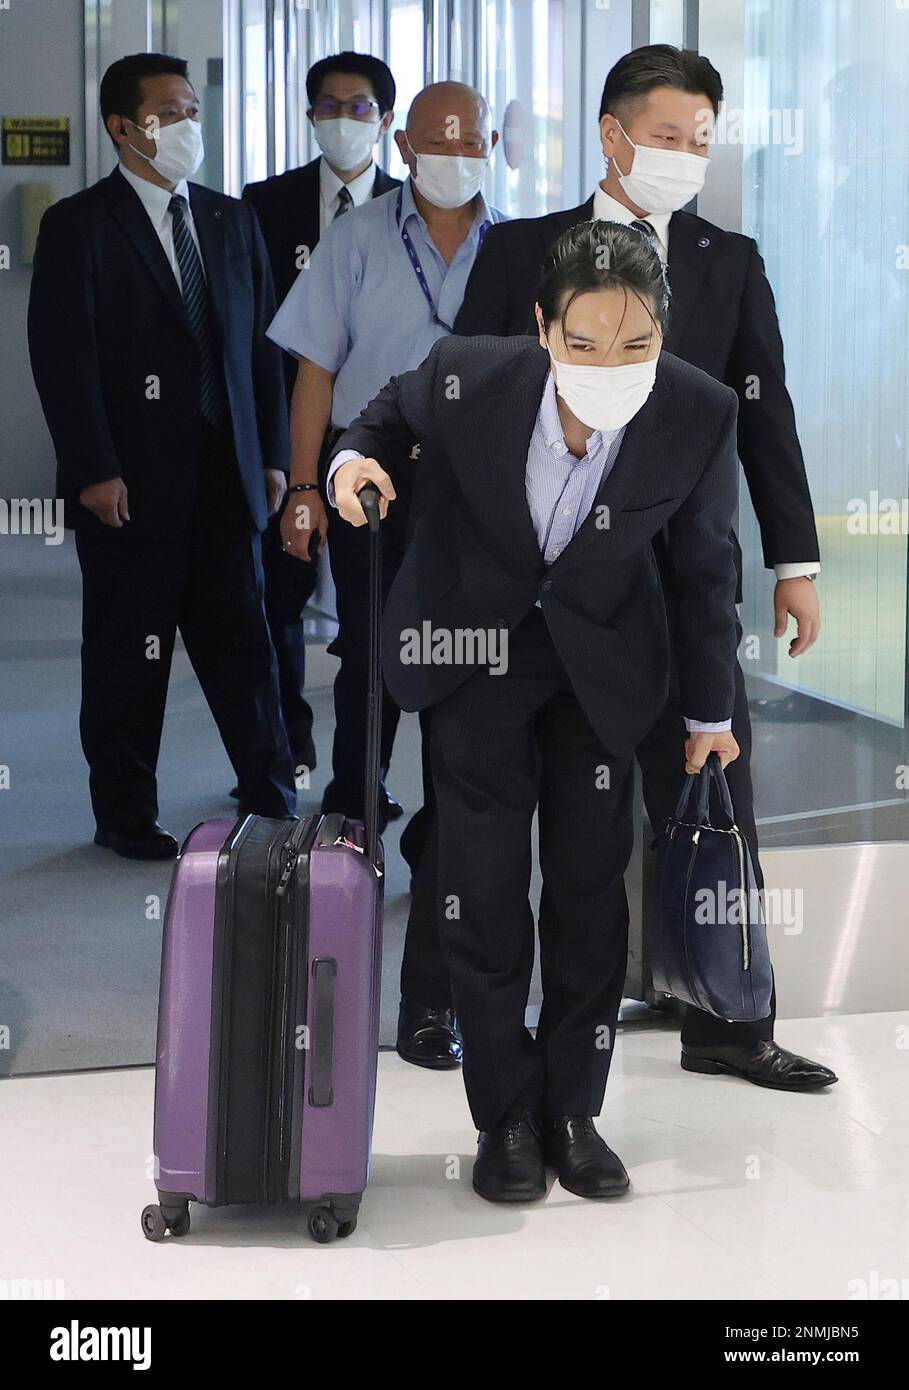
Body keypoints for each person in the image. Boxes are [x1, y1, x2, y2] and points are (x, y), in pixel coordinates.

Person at [328, 221, 743, 1202]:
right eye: (587, 344)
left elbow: (706, 569)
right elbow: (383, 417)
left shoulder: (694, 411)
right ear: (544, 328)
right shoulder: (474, 373)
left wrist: (710, 711)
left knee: (593, 892)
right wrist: (352, 468)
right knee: (480, 881)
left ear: (663, 336)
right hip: (474, 650)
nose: (613, 365)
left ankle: (574, 1107)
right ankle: (507, 1110)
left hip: (602, 665)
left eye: (637, 345)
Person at [453, 44, 836, 1094]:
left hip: (687, 586)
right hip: (548, 586)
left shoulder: (727, 258)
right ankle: (488, 1026)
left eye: (701, 142)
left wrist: (793, 561)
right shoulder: (524, 250)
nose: (686, 157)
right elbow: (466, 402)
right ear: (613, 135)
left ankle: (728, 1016)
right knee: (539, 813)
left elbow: (769, 418)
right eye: (667, 138)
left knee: (712, 778)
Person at [267, 81, 505, 1068]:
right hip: (373, 494)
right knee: (373, 683)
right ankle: (350, 853)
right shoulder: (359, 238)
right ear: (404, 143)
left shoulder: (521, 245)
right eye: (437, 138)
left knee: (467, 706)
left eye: (472, 138)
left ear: (491, 144)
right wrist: (304, 490)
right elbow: (315, 369)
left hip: (483, 508)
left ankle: (434, 905)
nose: (454, 153)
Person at [28, 52, 297, 860]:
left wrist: (274, 454)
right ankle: (124, 815)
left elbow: (260, 352)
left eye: (191, 110)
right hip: (130, 486)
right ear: (122, 127)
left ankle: (269, 788)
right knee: (127, 654)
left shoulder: (228, 219)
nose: (187, 126)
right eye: (168, 113)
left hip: (227, 474)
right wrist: (93, 469)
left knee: (242, 642)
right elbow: (63, 359)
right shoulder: (79, 225)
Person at [239, 53, 402, 792]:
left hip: (383, 450)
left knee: (375, 622)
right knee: (276, 599)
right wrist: (277, 455)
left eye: (359, 106)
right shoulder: (261, 206)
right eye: (328, 106)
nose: (343, 119)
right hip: (286, 437)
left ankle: (366, 777)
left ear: (385, 120)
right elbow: (252, 336)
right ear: (310, 117)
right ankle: (284, 755)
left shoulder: (410, 210)